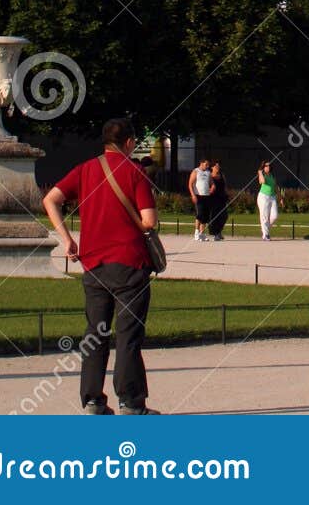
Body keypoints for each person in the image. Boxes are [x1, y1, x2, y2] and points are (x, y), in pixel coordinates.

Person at [43, 118, 160, 416]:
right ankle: (131, 402)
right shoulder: (135, 173)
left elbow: (50, 200)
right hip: (130, 263)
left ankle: (93, 400)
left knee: (95, 334)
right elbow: (149, 222)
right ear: (130, 142)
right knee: (128, 335)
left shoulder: (85, 169)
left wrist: (67, 239)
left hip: (94, 265)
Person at [188, 157, 213, 243]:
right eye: (206, 164)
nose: (207, 166)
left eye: (208, 165)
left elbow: (211, 183)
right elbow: (190, 184)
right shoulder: (196, 171)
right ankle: (196, 233)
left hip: (207, 196)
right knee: (200, 214)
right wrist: (193, 195)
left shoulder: (208, 172)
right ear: (201, 163)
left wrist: (213, 187)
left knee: (205, 215)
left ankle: (202, 233)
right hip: (198, 196)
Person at [256, 161, 278, 240]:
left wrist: (280, 197)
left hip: (272, 197)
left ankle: (265, 229)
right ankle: (265, 234)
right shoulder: (262, 175)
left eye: (269, 166)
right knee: (264, 216)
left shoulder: (272, 175)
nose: (268, 167)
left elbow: (275, 186)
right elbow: (263, 181)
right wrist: (260, 173)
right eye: (266, 166)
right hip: (263, 197)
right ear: (263, 167)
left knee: (274, 216)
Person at [208, 162, 229, 242]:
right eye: (215, 166)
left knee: (224, 216)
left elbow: (225, 186)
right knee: (214, 216)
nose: (217, 167)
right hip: (213, 198)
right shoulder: (210, 176)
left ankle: (219, 231)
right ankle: (216, 233)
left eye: (218, 166)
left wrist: (226, 193)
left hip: (222, 198)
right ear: (212, 167)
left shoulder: (221, 175)